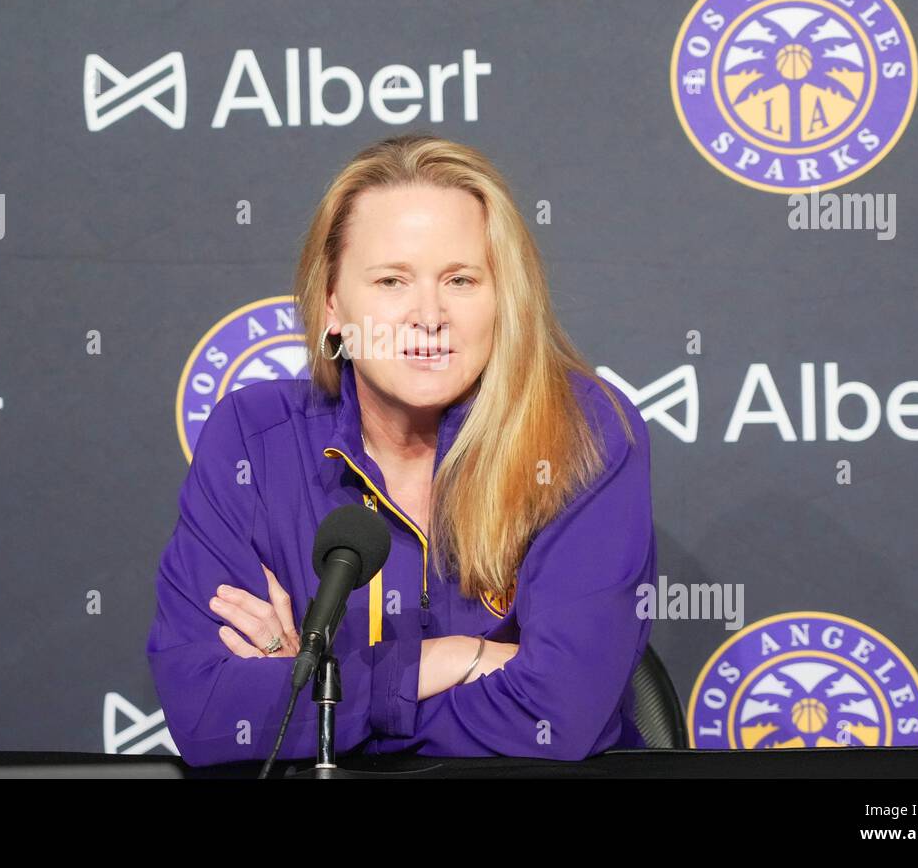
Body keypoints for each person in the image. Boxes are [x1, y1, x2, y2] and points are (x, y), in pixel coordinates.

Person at [146, 132, 657, 767]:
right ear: (332, 304)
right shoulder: (252, 435)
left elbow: (560, 712)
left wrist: (315, 692)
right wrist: (448, 660)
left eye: (461, 280)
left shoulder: (583, 429)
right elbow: (207, 716)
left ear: (505, 300)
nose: (429, 315)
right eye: (391, 281)